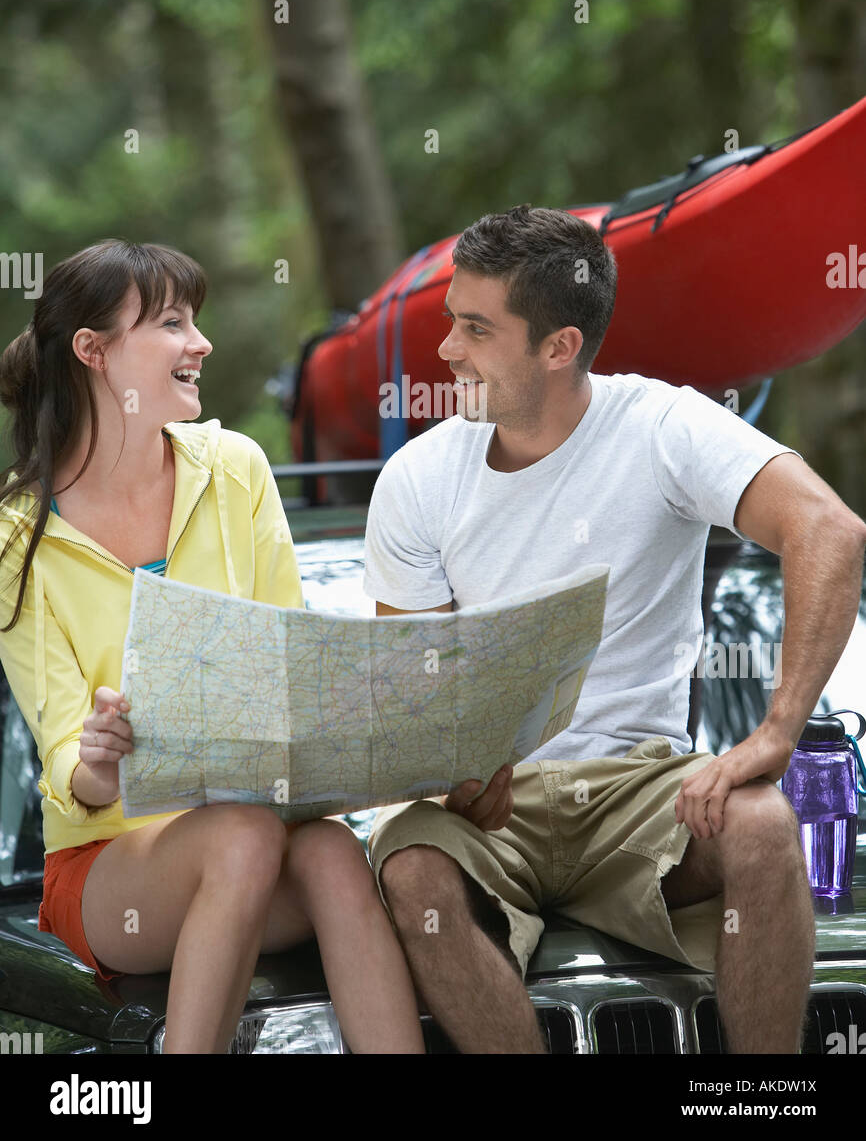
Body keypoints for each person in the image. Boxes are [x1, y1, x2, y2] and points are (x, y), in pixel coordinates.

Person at [363, 204, 866, 1054]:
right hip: (488, 812)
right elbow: (419, 693)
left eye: (476, 329)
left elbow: (830, 530)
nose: (446, 350)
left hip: (643, 791)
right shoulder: (416, 480)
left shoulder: (664, 427)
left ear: (559, 347)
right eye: (451, 320)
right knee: (412, 864)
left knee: (761, 823)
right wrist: (452, 776)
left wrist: (776, 734)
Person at [0, 238, 424, 1055]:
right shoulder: (18, 540)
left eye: (194, 321)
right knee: (242, 834)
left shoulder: (237, 469)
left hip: (256, 826)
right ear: (93, 350)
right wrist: (100, 758)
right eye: (171, 324)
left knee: (333, 852)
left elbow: (292, 666)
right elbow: (65, 762)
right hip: (109, 867)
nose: (201, 343)